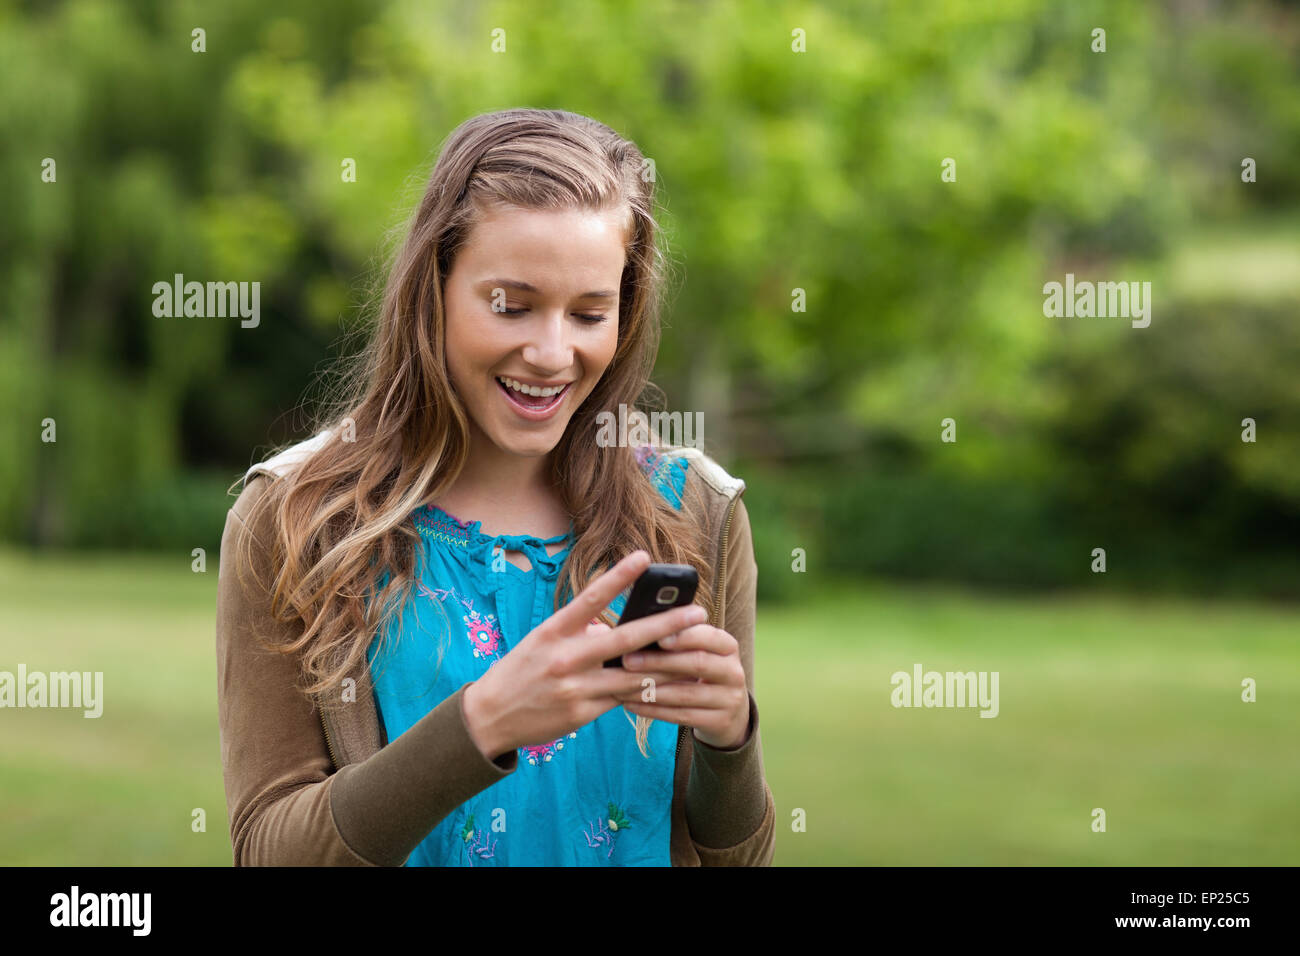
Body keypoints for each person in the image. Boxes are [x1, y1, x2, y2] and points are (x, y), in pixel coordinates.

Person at [215, 107, 775, 866]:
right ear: (434, 287)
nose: (552, 353)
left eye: (589, 313)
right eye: (512, 304)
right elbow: (269, 852)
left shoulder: (694, 510)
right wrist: (480, 724)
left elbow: (736, 855)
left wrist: (728, 738)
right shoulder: (294, 518)